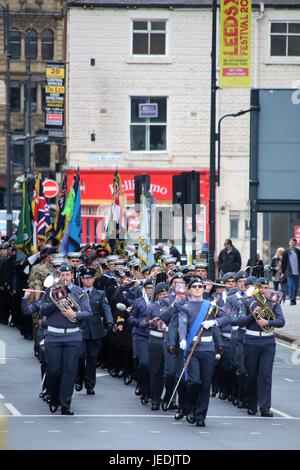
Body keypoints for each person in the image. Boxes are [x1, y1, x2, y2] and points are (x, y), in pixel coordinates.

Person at [41, 263, 92, 415]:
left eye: (67, 275)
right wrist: (57, 303)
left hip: (73, 335)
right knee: (54, 369)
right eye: (62, 275)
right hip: (54, 335)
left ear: (72, 276)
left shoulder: (80, 292)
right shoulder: (51, 291)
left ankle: (66, 404)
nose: (64, 277)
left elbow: (88, 313)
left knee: (70, 370)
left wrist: (74, 314)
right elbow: (42, 310)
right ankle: (53, 395)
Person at [235, 278, 285, 417]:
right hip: (251, 341)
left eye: (265, 287)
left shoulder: (273, 303)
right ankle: (252, 405)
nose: (263, 290)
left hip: (268, 341)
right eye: (261, 287)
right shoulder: (247, 302)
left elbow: (281, 321)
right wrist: (253, 315)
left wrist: (267, 321)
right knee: (251, 375)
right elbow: (239, 321)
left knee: (265, 375)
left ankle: (265, 408)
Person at [75, 267, 113, 395]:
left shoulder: (100, 293)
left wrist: (109, 322)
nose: (88, 280)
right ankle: (79, 379)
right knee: (80, 356)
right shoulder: (77, 292)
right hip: (80, 328)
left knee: (92, 359)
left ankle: (90, 385)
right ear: (81, 279)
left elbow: (106, 308)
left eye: (90, 278)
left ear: (94, 279)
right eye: (85, 278)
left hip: (95, 329)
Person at [282, 238, 300, 305]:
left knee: (296, 286)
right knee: (291, 286)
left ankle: (294, 298)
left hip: (297, 272)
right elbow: (283, 263)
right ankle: (292, 300)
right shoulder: (286, 252)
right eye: (291, 242)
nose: (293, 244)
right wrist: (283, 272)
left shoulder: (298, 251)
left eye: (294, 243)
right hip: (289, 272)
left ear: (296, 244)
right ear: (289, 243)